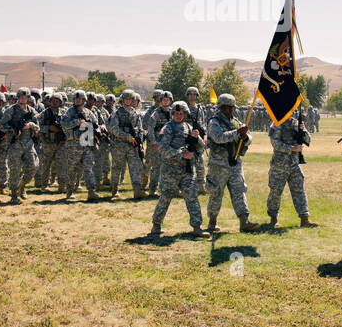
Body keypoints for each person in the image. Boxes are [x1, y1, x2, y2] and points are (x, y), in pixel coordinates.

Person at [149, 101, 209, 237]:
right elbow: (163, 149)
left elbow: (201, 147)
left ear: (185, 114)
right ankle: (156, 225)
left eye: (181, 113)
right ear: (172, 114)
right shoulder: (168, 128)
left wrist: (197, 137)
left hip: (187, 170)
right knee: (165, 197)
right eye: (176, 113)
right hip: (170, 170)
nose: (178, 116)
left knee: (192, 197)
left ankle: (197, 226)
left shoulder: (189, 127)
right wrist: (182, 154)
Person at [205, 93, 258, 233]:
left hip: (234, 162)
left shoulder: (236, 122)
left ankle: (244, 221)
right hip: (218, 164)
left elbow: (249, 138)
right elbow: (218, 137)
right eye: (226, 108)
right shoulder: (214, 122)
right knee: (216, 193)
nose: (229, 110)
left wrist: (245, 136)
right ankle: (212, 223)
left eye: (231, 108)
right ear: (220, 108)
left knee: (239, 191)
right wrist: (236, 133)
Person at [267, 106, 312, 227]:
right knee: (276, 191)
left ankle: (304, 218)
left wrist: (303, 131)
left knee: (299, 190)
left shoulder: (296, 123)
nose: (291, 111)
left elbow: (308, 139)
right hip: (279, 165)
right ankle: (273, 218)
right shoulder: (277, 123)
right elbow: (275, 143)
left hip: (294, 164)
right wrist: (292, 148)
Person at [108, 89, 148, 200]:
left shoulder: (136, 113)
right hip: (119, 145)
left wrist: (139, 142)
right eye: (126, 99)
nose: (128, 100)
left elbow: (140, 129)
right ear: (122, 100)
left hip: (132, 146)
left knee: (134, 167)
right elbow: (113, 129)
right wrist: (127, 137)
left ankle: (137, 190)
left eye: (130, 99)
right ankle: (114, 190)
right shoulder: (116, 113)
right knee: (117, 167)